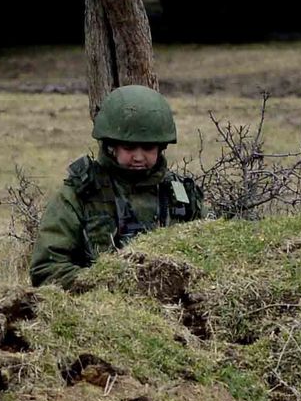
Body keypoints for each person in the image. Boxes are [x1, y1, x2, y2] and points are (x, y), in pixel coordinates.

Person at [29, 84, 206, 289]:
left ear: (162, 146)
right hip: (100, 312)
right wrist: (108, 286)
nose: (139, 157)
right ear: (111, 145)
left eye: (148, 148)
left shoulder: (180, 195)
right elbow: (46, 269)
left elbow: (210, 255)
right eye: (129, 147)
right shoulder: (80, 195)